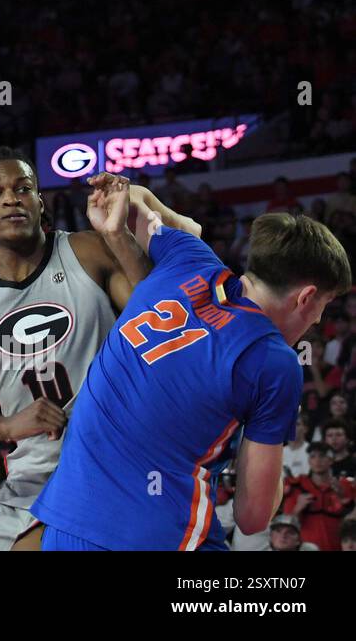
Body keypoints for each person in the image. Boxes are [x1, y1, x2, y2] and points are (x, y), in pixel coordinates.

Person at [0, 149, 200, 549]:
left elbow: (167, 324)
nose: (12, 198)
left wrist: (118, 236)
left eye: (24, 188)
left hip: (115, 465)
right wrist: (4, 427)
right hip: (31, 484)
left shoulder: (89, 252)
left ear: (40, 202)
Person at [33, 178, 351, 550]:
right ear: (306, 297)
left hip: (63, 525)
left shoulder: (188, 257)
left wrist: (119, 198)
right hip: (159, 536)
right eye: (324, 306)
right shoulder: (275, 362)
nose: (317, 322)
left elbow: (134, 200)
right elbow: (253, 517)